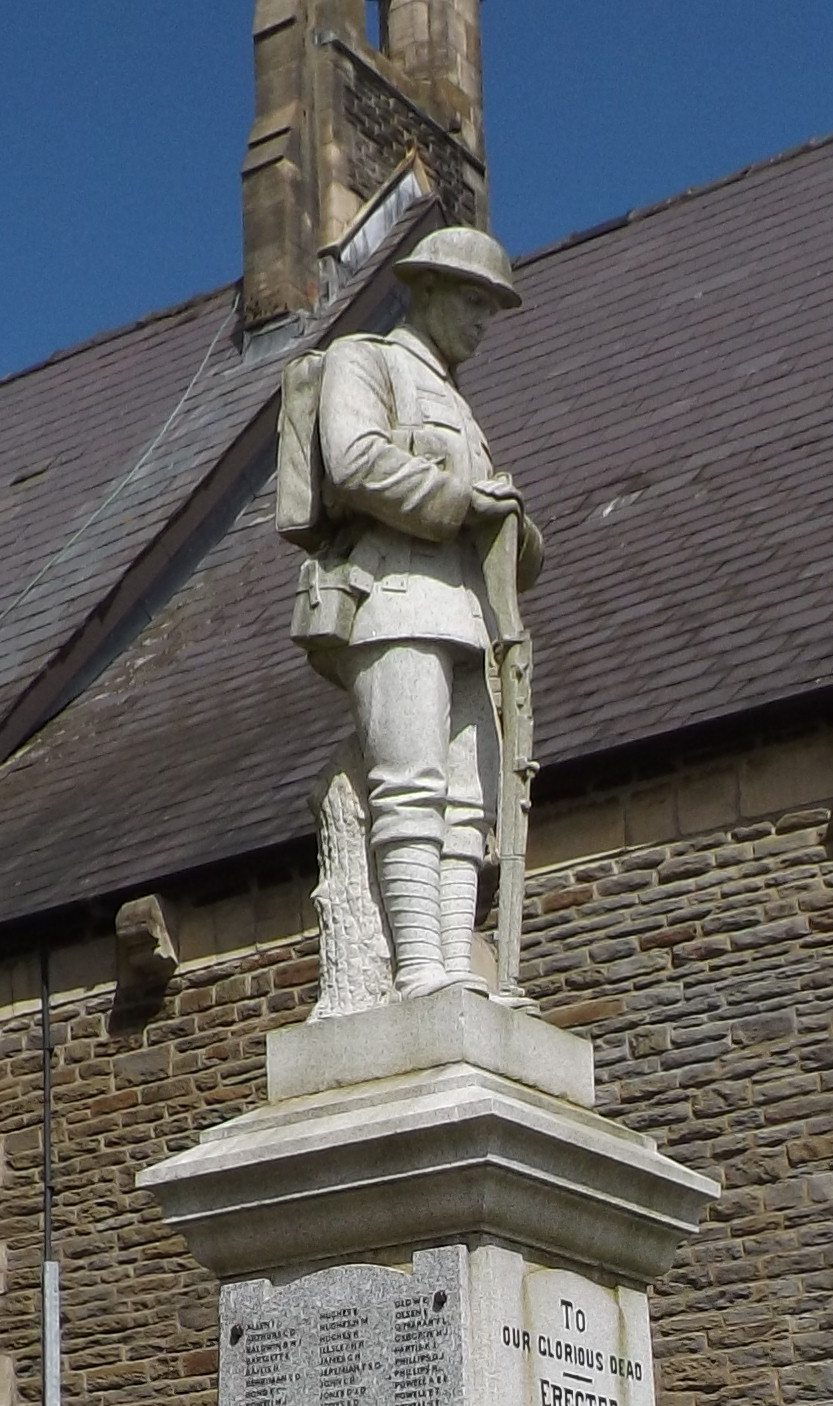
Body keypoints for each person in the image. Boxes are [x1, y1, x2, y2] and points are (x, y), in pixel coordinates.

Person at [285, 226, 542, 999]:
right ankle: (420, 967)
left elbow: (510, 543)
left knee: (469, 804)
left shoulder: (463, 410)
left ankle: (458, 970)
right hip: (393, 600)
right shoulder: (368, 362)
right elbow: (356, 461)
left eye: (490, 306)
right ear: (425, 290)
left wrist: (509, 520)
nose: (481, 321)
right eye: (471, 300)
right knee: (409, 785)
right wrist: (463, 499)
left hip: (469, 616)